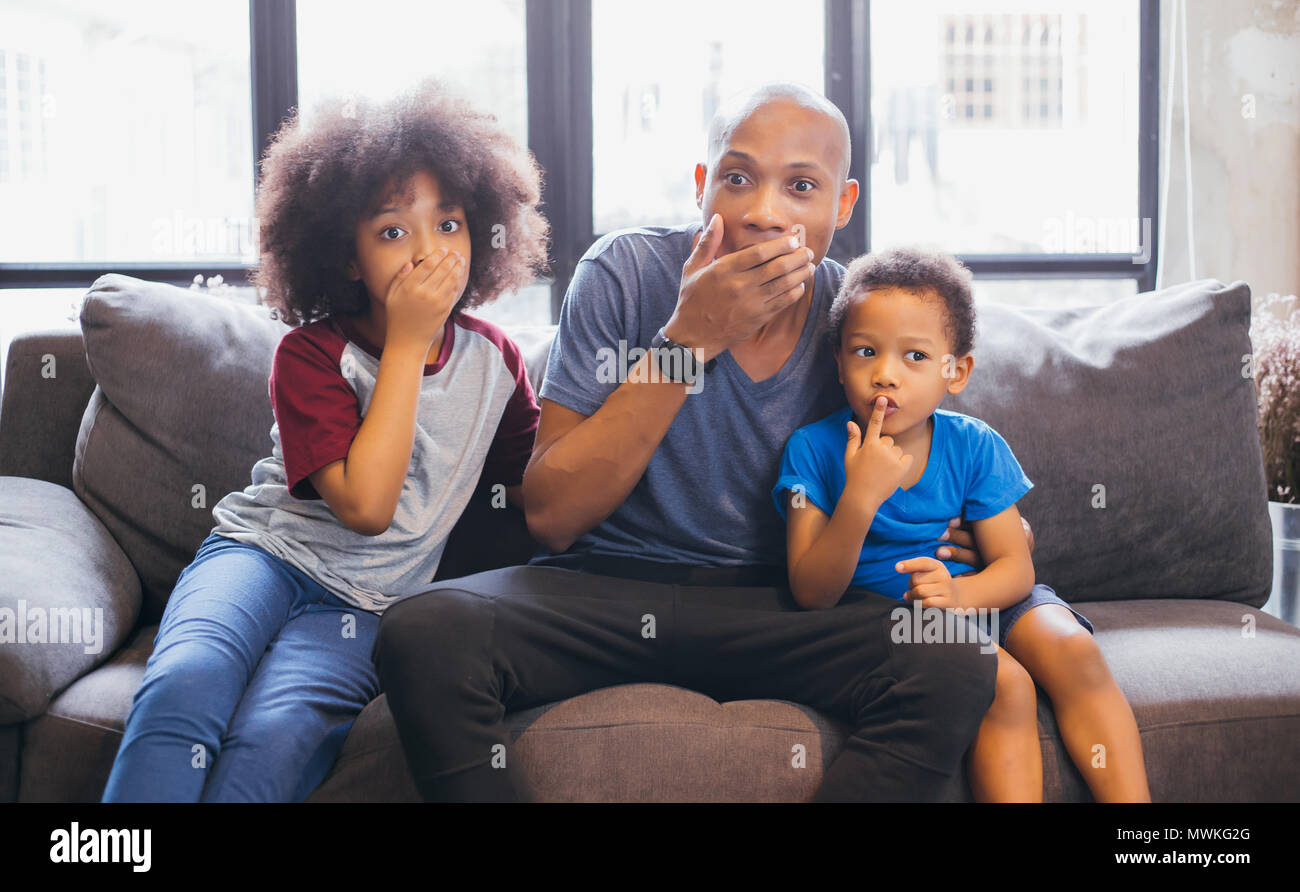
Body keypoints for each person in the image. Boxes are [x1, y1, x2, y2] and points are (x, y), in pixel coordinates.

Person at [374, 82, 1038, 802]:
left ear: (843, 205)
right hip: (606, 589)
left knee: (955, 658)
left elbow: (933, 460)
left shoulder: (856, 319)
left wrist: (982, 532)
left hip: (784, 608)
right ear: (702, 185)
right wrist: (689, 340)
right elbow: (551, 517)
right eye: (738, 178)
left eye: (802, 186)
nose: (763, 212)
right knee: (424, 632)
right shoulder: (624, 272)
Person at [102, 78, 549, 801]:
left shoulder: (495, 364)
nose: (427, 253)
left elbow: (539, 486)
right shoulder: (311, 355)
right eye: (393, 232)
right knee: (186, 683)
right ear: (347, 258)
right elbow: (366, 506)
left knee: (276, 736)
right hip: (262, 557)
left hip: (365, 608)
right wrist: (408, 343)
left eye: (449, 224)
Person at [774, 248, 1151, 801]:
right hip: (895, 615)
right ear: (838, 361)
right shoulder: (812, 449)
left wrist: (961, 594)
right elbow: (811, 592)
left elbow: (1015, 568)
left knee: (1074, 651)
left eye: (915, 356)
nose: (885, 374)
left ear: (957, 372)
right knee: (1004, 683)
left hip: (981, 593)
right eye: (865, 351)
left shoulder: (974, 445)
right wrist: (860, 497)